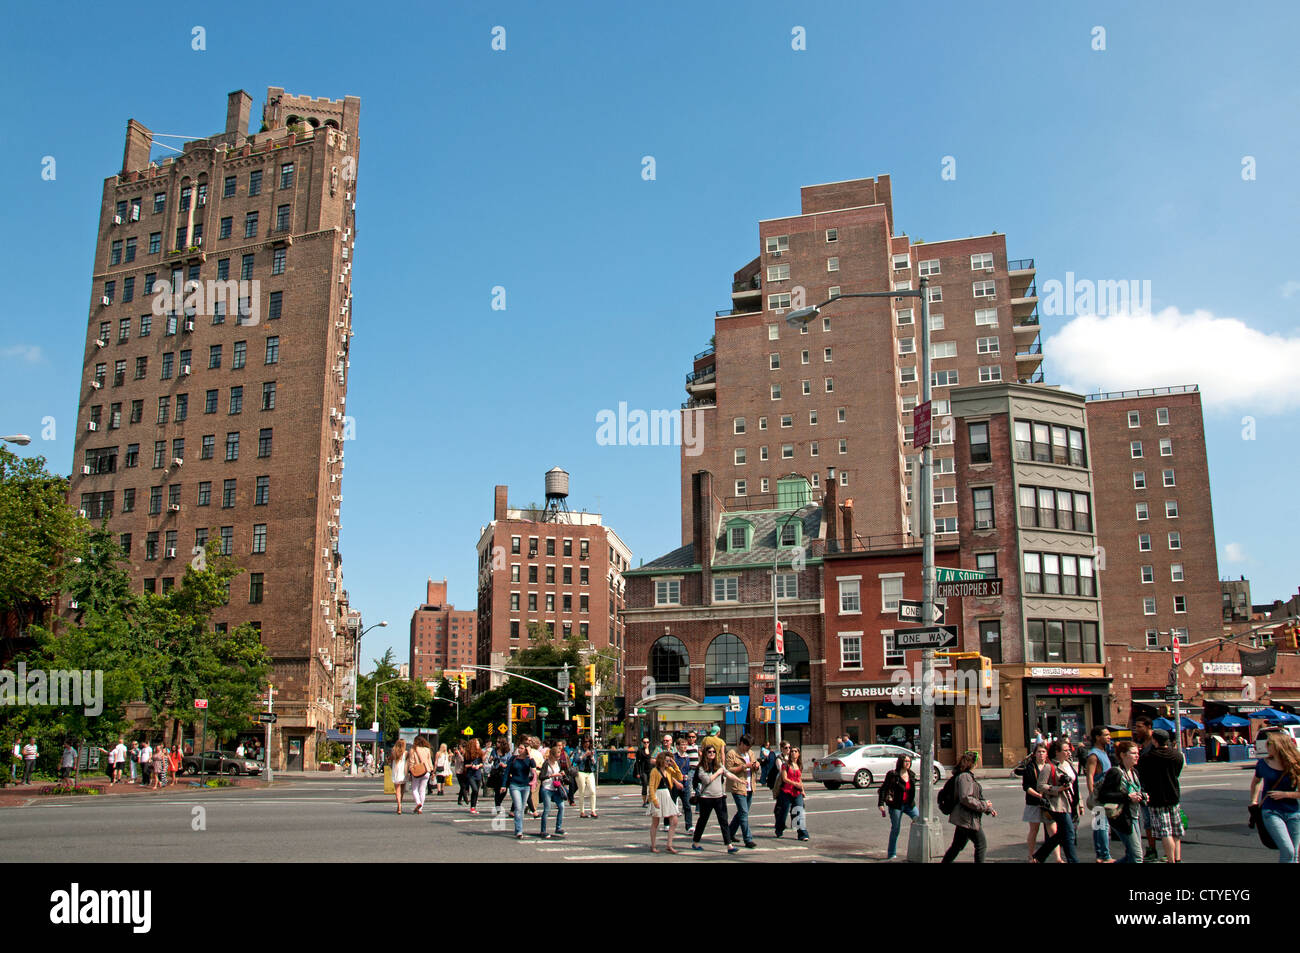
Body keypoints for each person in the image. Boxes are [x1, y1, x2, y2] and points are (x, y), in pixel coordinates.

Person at [1249, 730, 1300, 863]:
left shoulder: (1295, 764)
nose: (1266, 746)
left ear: (1279, 745)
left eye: (1269, 743)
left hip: (1294, 812)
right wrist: (1254, 801)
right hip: (1271, 811)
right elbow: (1256, 782)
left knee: (1294, 854)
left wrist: (1286, 794)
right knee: (1288, 850)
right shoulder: (1263, 764)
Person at [1137, 728, 1185, 863]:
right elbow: (1177, 773)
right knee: (1176, 831)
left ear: (1155, 740)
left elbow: (1143, 777)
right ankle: (1178, 858)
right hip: (1174, 795)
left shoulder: (1147, 757)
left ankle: (1171, 860)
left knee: (1165, 832)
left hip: (1157, 798)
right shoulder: (1177, 755)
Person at [941, 751, 997, 863]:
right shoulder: (965, 777)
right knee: (981, 845)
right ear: (973, 763)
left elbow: (976, 796)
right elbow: (965, 798)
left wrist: (988, 808)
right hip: (967, 818)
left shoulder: (966, 776)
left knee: (957, 846)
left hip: (964, 818)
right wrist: (984, 806)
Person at [1097, 740, 1147, 863]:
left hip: (1134, 816)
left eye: (1138, 753)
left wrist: (1143, 796)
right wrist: (1128, 797)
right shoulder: (1116, 772)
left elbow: (1136, 791)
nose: (1137, 756)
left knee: (1131, 855)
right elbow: (1104, 795)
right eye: (1133, 753)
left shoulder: (1134, 772)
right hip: (1122, 818)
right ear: (1123, 755)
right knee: (1137, 857)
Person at [1032, 740, 1079, 863]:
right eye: (1065, 750)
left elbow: (1075, 785)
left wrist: (1080, 803)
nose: (1068, 752)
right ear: (1057, 752)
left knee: (1063, 832)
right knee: (1069, 832)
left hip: (1070, 802)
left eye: (1069, 750)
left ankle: (1039, 856)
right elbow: (1040, 786)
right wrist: (1058, 789)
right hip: (1057, 804)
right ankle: (1073, 860)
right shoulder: (1049, 766)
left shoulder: (1068, 764)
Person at [692, 744, 741, 853]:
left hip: (720, 797)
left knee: (723, 821)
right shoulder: (701, 767)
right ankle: (695, 842)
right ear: (705, 753)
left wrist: (739, 780)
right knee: (702, 821)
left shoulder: (719, 765)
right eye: (709, 752)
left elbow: (728, 774)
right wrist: (718, 772)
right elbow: (707, 780)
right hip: (706, 798)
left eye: (714, 752)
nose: (712, 754)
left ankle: (729, 845)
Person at [1021, 742, 1058, 862]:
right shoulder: (1030, 767)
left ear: (1047, 754)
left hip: (1048, 803)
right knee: (1034, 830)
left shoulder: (1051, 766)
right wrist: (1037, 794)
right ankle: (1031, 856)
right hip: (1034, 802)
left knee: (1053, 831)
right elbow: (1026, 786)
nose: (1041, 754)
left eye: (1043, 752)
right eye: (1039, 752)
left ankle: (1058, 857)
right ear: (1035, 754)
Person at [878, 753, 919, 860]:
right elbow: (883, 789)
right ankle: (892, 854)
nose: (908, 763)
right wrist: (881, 804)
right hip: (896, 805)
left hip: (909, 804)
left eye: (909, 761)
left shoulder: (912, 775)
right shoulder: (893, 775)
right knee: (896, 829)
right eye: (906, 761)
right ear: (900, 762)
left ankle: (917, 850)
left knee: (919, 820)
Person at [1083, 726, 1113, 862]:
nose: (1109, 737)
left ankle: (1101, 855)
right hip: (1099, 795)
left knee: (1100, 825)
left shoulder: (1104, 752)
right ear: (1097, 737)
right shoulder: (1094, 755)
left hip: (1106, 793)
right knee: (1102, 826)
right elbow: (1090, 776)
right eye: (1106, 735)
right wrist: (1092, 795)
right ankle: (1104, 855)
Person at [725, 734, 761, 849]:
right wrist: (744, 766)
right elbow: (729, 770)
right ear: (741, 743)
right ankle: (748, 839)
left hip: (750, 785)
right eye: (747, 746)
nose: (748, 748)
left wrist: (756, 766)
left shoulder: (750, 753)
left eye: (750, 746)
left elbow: (754, 765)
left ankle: (730, 833)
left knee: (742, 812)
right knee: (744, 812)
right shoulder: (732, 753)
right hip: (738, 786)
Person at [1131, 716, 1159, 861]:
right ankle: (1152, 848)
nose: (1137, 730)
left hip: (1155, 788)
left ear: (1148, 727)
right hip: (1143, 786)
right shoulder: (1142, 743)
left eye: (1139, 726)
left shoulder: (1156, 741)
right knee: (1147, 821)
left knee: (1160, 820)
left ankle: (1168, 850)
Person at [646, 751, 684, 853]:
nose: (668, 762)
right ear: (662, 761)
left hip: (667, 795)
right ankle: (653, 845)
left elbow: (679, 777)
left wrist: (674, 765)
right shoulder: (655, 771)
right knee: (656, 822)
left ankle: (669, 844)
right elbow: (651, 786)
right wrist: (654, 800)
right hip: (658, 795)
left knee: (674, 820)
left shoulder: (669, 770)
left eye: (670, 760)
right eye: (667, 761)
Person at [505, 742, 538, 839]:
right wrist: (503, 785)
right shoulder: (513, 759)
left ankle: (518, 828)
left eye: (522, 748)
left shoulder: (528, 760)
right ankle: (519, 830)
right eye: (519, 748)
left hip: (525, 785)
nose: (520, 750)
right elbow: (507, 771)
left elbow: (534, 766)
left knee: (522, 808)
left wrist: (530, 754)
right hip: (514, 785)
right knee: (518, 807)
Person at [778, 746, 810, 841]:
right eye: (791, 751)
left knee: (799, 811)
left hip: (797, 792)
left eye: (795, 751)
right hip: (786, 791)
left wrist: (802, 790)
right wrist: (795, 784)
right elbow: (784, 778)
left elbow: (799, 778)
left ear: (798, 754)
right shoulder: (785, 765)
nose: (793, 753)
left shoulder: (799, 765)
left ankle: (802, 834)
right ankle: (779, 828)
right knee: (784, 812)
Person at [538, 742, 568, 838]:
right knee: (547, 809)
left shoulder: (557, 763)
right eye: (556, 757)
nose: (558, 759)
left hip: (556, 788)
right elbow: (541, 777)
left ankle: (558, 828)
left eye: (559, 757)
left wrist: (561, 774)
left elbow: (558, 771)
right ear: (551, 755)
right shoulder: (546, 763)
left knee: (561, 807)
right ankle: (543, 831)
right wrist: (551, 775)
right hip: (546, 788)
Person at [670, 735, 695, 833]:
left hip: (684, 784)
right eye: (682, 745)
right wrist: (675, 781)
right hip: (675, 784)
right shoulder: (674, 757)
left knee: (687, 805)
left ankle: (689, 826)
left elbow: (687, 769)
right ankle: (668, 823)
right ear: (677, 746)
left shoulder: (687, 758)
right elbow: (670, 771)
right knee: (671, 804)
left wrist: (687, 777)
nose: (685, 747)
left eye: (686, 745)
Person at [770, 740, 792, 833]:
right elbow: (780, 770)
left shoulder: (790, 757)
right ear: (782, 749)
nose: (788, 749)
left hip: (790, 783)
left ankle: (786, 823)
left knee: (790, 804)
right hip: (781, 783)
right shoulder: (779, 758)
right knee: (780, 805)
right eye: (786, 748)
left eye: (789, 747)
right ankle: (779, 823)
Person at [407, 735, 433, 815]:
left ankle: (418, 803)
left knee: (414, 789)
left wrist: (410, 770)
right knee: (422, 790)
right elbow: (429, 761)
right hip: (426, 771)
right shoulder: (427, 750)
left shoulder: (413, 750)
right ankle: (421, 809)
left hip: (417, 771)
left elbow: (411, 762)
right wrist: (432, 771)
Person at [574, 737, 598, 818]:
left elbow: (595, 763)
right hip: (581, 771)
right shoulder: (579, 749)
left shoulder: (593, 750)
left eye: (588, 742)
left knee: (592, 791)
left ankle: (593, 810)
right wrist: (584, 755)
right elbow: (576, 759)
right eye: (585, 742)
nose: (587, 743)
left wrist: (591, 757)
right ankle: (582, 811)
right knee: (582, 791)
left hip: (590, 772)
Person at [463, 738, 484, 814]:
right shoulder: (467, 754)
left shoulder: (480, 753)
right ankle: (472, 806)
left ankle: (473, 807)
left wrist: (478, 766)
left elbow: (482, 763)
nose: (478, 745)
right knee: (474, 789)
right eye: (477, 743)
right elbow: (465, 765)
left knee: (476, 791)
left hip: (478, 774)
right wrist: (471, 765)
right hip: (471, 774)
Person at [390, 739, 408, 814]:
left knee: (397, 790)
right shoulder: (406, 753)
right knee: (402, 790)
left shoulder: (394, 752)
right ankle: (400, 803)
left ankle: (399, 805)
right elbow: (407, 762)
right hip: (403, 771)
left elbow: (391, 760)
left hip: (396, 770)